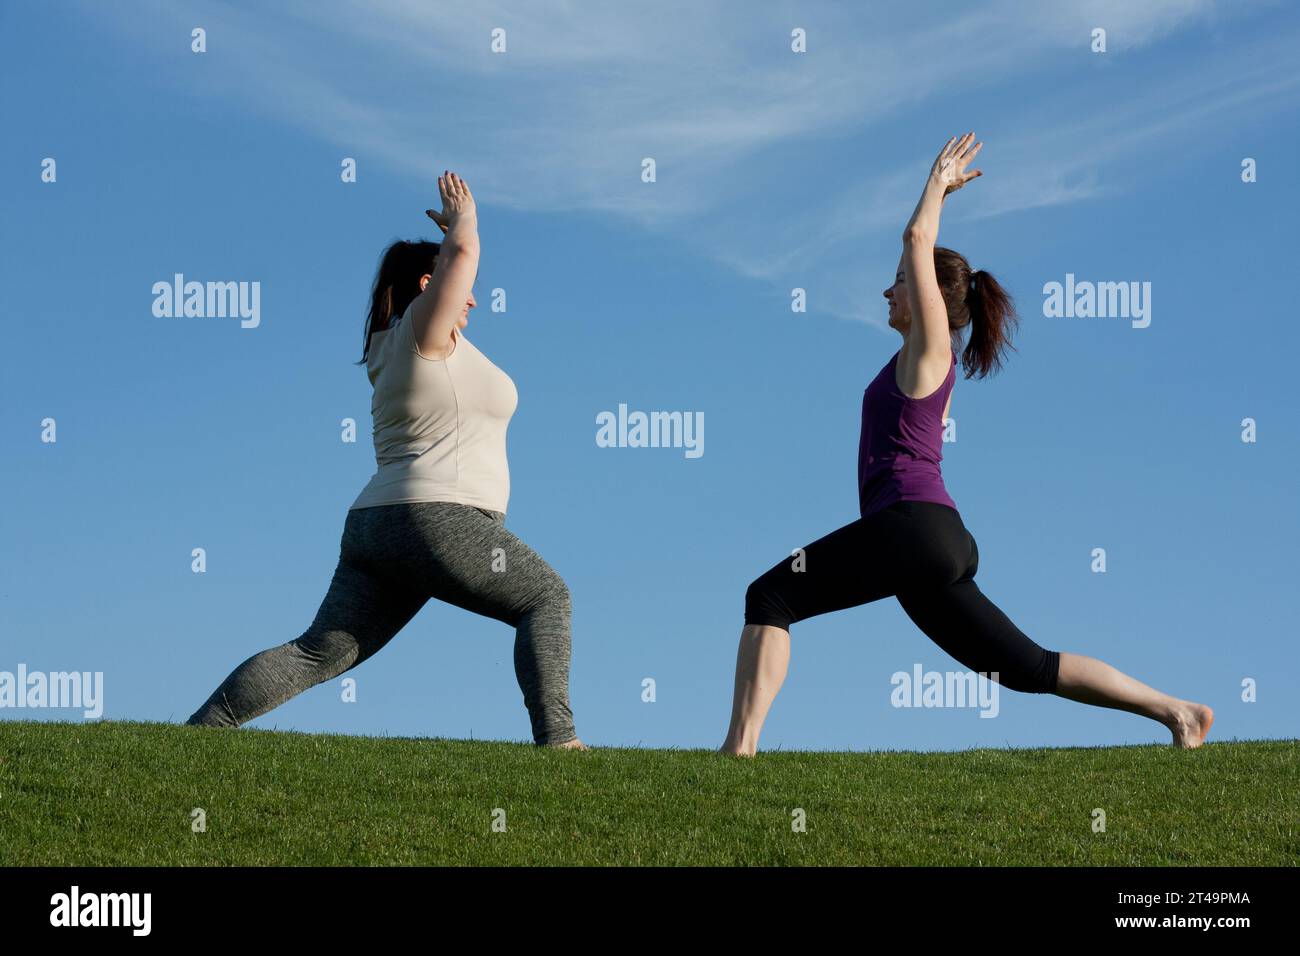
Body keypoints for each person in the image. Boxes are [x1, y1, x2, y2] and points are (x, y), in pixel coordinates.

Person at [720, 134, 1213, 756]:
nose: (887, 292)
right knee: (1031, 668)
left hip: (913, 528)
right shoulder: (920, 361)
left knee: (770, 595)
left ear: (930, 297)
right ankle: (1179, 713)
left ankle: (739, 750)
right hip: (936, 542)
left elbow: (918, 242)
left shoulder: (933, 352)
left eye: (899, 283)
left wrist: (937, 185)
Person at [186, 171, 586, 749]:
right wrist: (463, 223)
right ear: (430, 285)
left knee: (320, 649)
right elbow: (464, 258)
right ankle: (561, 743)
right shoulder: (424, 332)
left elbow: (455, 274)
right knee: (546, 597)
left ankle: (200, 735)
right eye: (461, 285)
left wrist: (451, 245)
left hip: (380, 525)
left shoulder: (394, 344)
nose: (473, 297)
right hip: (436, 516)